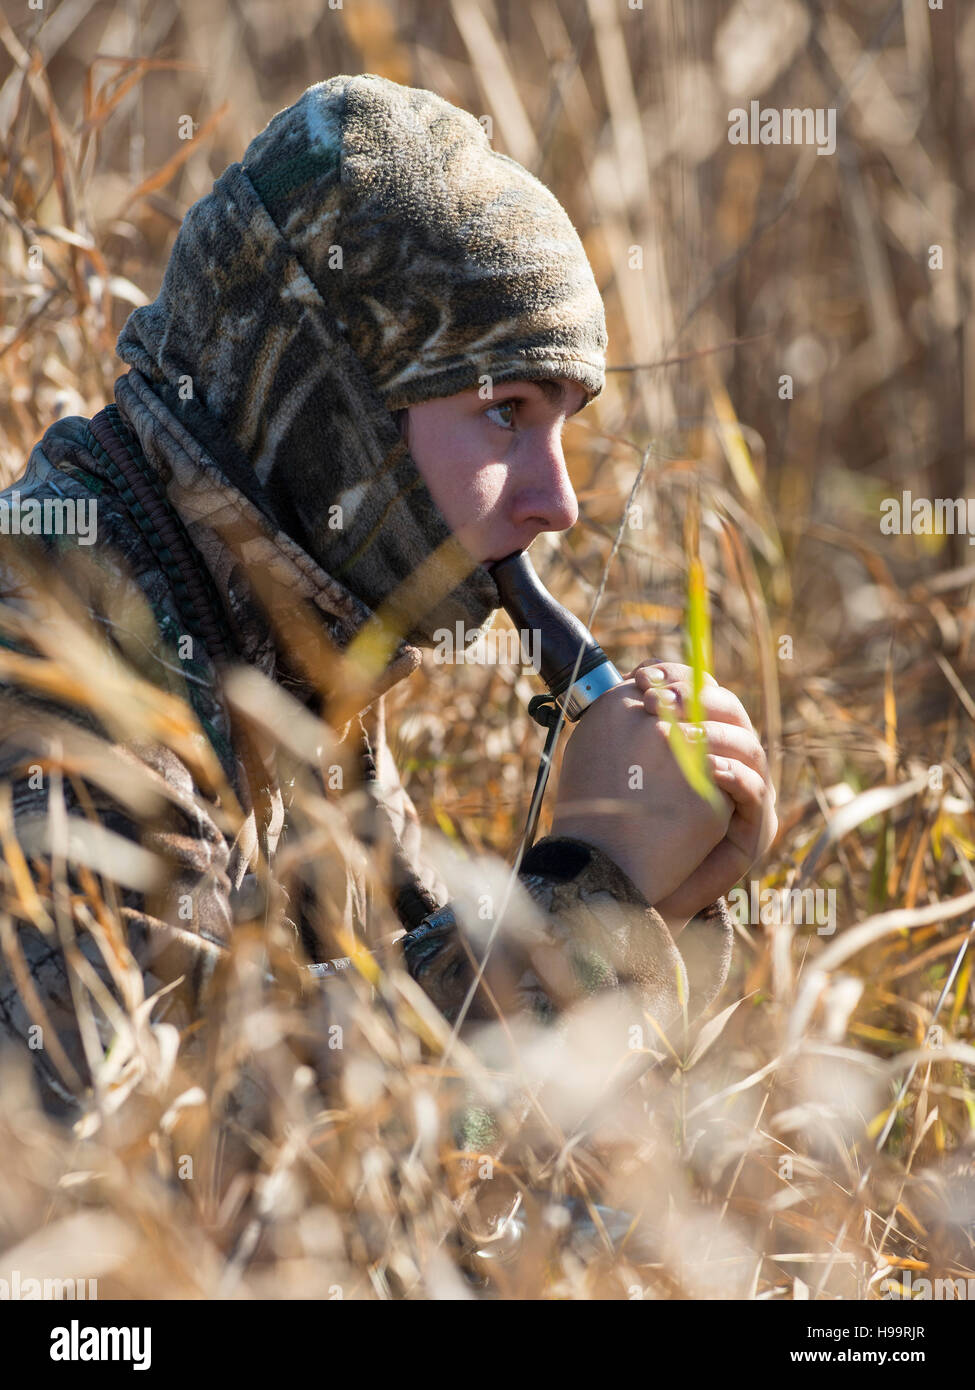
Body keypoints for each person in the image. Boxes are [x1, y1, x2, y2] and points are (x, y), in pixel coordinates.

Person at [0, 74, 776, 1120]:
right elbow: (155, 1134)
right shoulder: (57, 650)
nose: (561, 503)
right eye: (505, 412)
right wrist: (584, 894)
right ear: (335, 408)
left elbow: (411, 1034)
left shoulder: (287, 635)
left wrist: (652, 898)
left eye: (565, 425)